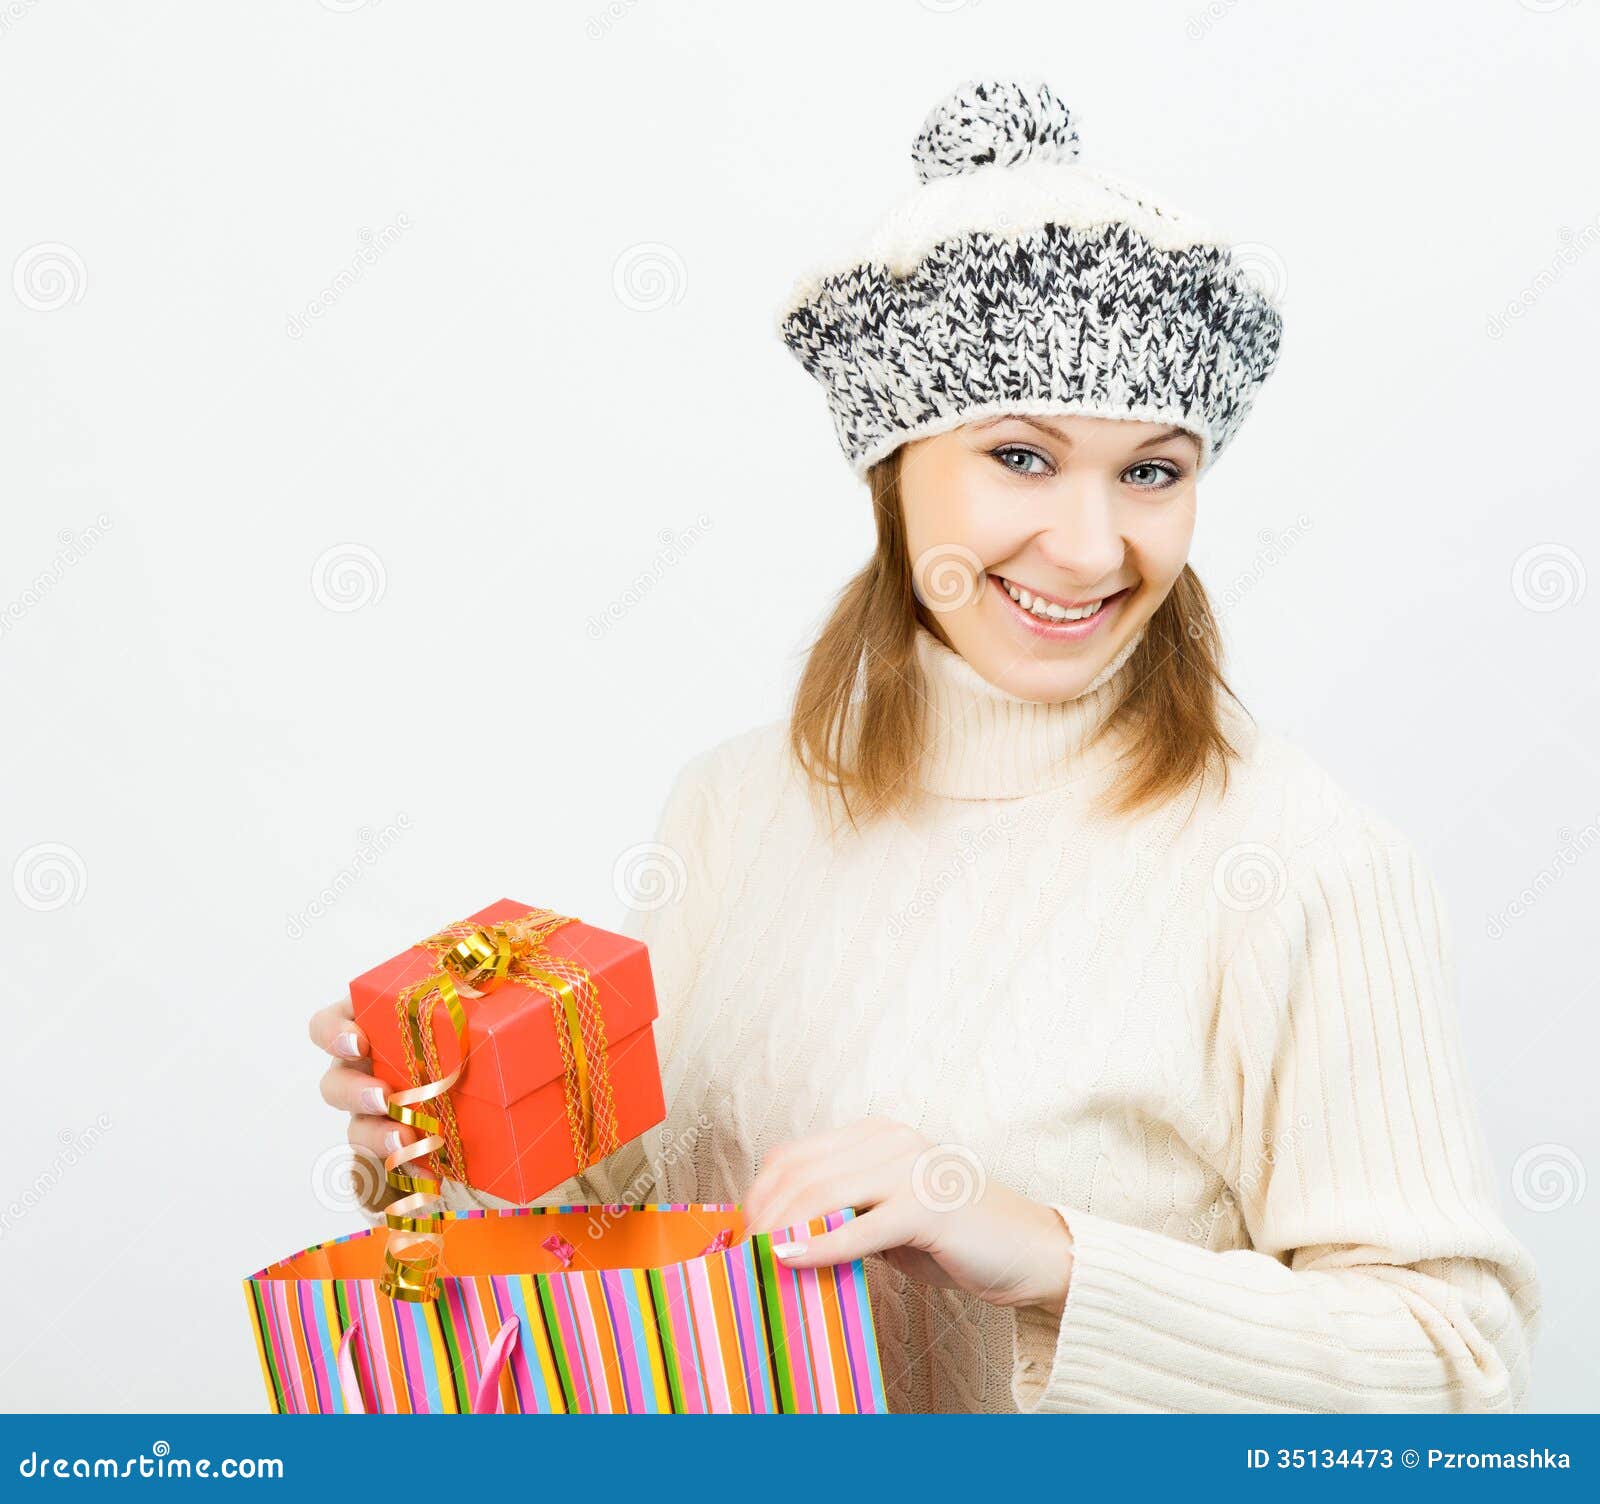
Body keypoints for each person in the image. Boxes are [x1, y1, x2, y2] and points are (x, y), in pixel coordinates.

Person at [309, 79, 1540, 1413]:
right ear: (895, 472)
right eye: (1022, 456)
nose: (1090, 547)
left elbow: (1454, 1365)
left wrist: (1051, 1256)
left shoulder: (1302, 863)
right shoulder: (732, 810)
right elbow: (632, 1256)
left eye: (1152, 471)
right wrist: (453, 1145)